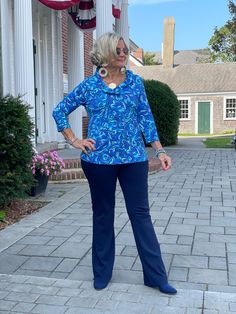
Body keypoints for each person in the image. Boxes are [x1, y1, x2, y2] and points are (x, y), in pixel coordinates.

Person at [52, 32, 177, 295]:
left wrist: (159, 150)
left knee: (141, 215)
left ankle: (156, 277)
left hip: (133, 159)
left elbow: (146, 118)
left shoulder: (135, 83)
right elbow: (59, 110)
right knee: (103, 215)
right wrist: (75, 140)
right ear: (106, 54)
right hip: (98, 161)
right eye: (118, 50)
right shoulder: (89, 86)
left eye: (124, 50)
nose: (123, 54)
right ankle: (102, 274)